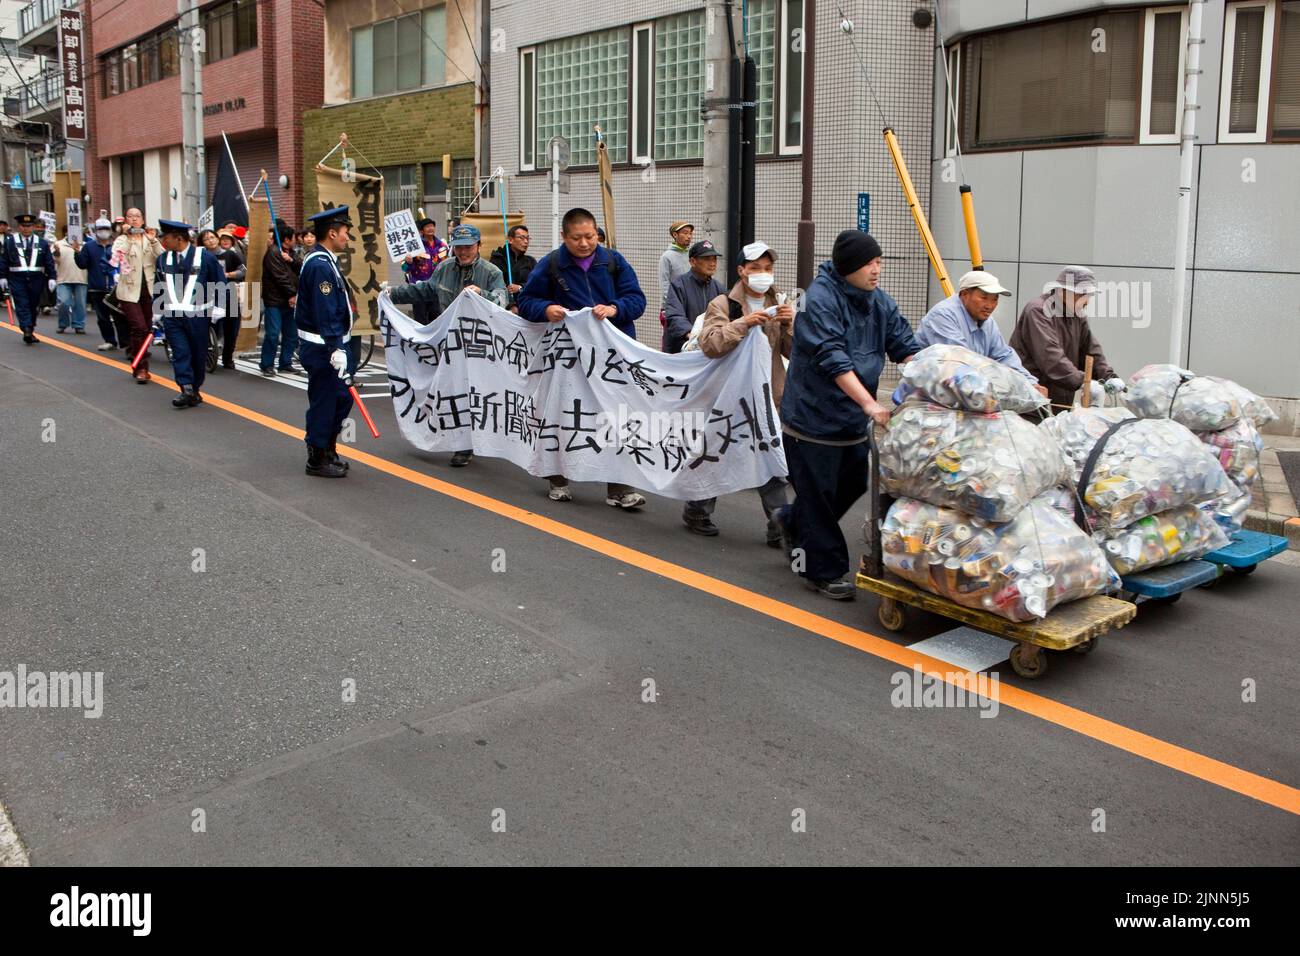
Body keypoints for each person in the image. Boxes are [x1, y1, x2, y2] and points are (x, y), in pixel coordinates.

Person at [773, 230, 920, 600]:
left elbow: (904, 344)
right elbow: (832, 358)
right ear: (848, 266)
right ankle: (822, 570)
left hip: (851, 421)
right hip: (812, 418)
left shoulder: (878, 302)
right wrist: (869, 404)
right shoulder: (818, 300)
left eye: (879, 262)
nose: (876, 269)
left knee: (853, 484)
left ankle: (791, 522)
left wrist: (936, 375)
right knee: (819, 498)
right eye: (869, 263)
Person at [517, 206, 648, 509]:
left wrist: (615, 309)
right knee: (563, 415)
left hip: (611, 359)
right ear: (564, 236)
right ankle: (557, 478)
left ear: (597, 233)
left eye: (590, 236)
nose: (585, 243)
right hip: (568, 359)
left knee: (615, 417)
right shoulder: (552, 264)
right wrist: (546, 309)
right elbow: (526, 301)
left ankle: (619, 488)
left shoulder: (613, 261)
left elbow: (637, 300)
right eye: (577, 238)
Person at [682, 241, 794, 541]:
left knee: (770, 457)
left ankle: (780, 524)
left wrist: (791, 325)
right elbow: (711, 344)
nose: (763, 274)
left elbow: (793, 352)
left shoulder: (780, 303)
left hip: (766, 397)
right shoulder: (723, 304)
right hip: (727, 397)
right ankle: (697, 508)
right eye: (755, 268)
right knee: (717, 453)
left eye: (768, 268)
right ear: (741, 270)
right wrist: (743, 323)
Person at [387, 223, 508, 468]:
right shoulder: (444, 268)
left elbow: (502, 299)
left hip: (479, 344)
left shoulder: (491, 272)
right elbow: (425, 290)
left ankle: (480, 438)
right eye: (458, 247)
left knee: (478, 393)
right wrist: (392, 294)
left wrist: (482, 294)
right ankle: (462, 444)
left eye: (468, 247)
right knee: (454, 392)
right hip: (449, 343)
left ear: (479, 245)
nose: (463, 252)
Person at [891, 270, 1046, 404]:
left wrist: (1030, 383)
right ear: (965, 294)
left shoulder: (988, 321)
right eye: (984, 297)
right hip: (929, 397)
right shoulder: (943, 315)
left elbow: (1003, 355)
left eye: (995, 299)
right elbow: (959, 361)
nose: (990, 305)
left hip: (965, 393)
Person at [295, 206, 358, 478]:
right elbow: (326, 310)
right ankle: (317, 457)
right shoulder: (320, 265)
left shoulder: (325, 260)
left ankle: (328, 447)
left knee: (341, 398)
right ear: (332, 233)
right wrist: (335, 348)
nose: (347, 237)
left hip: (331, 344)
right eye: (345, 232)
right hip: (323, 347)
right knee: (325, 400)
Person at [1009, 266, 1124, 410]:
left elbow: (1091, 351)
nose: (1086, 302)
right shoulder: (1039, 311)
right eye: (1082, 295)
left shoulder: (1077, 315)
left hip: (1060, 400)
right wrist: (1083, 381)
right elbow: (1050, 357)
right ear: (1063, 291)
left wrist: (1108, 377)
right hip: (1031, 401)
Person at [154, 220, 225, 408]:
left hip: (197, 316)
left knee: (198, 354)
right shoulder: (162, 259)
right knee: (180, 352)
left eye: (166, 237)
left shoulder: (205, 257)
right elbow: (158, 285)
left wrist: (220, 307)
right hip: (172, 316)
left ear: (179, 238)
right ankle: (185, 388)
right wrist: (157, 309)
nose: (163, 241)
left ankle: (194, 389)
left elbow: (220, 282)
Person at [109, 209, 162, 381]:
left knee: (146, 328)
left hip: (148, 290)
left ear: (143, 220)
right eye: (130, 217)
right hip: (128, 290)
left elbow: (162, 257)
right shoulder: (121, 240)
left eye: (137, 216)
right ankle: (141, 367)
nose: (134, 219)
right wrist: (129, 238)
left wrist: (153, 240)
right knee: (139, 326)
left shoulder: (149, 238)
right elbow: (116, 259)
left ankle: (138, 359)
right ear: (125, 220)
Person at [0, 213, 58, 344]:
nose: (26, 228)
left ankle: (30, 328)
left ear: (33, 227)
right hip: (17, 277)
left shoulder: (42, 242)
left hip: (36, 278)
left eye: (29, 226)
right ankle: (26, 328)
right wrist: (2, 276)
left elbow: (49, 261)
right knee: (22, 303)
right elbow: (4, 260)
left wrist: (52, 277)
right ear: (19, 227)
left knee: (33, 305)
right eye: (23, 226)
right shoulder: (10, 242)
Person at [662, 239, 725, 354]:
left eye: (714, 259)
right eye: (707, 259)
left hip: (709, 350)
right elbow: (674, 316)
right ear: (692, 261)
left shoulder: (719, 288)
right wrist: (692, 335)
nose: (712, 263)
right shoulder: (678, 285)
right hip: (682, 350)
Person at [260, 220, 300, 376]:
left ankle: (285, 362)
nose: (295, 240)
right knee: (273, 334)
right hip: (275, 301)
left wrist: (291, 260)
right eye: (293, 238)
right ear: (286, 239)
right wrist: (291, 294)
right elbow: (280, 277)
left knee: (291, 334)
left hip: (290, 301)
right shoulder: (273, 253)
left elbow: (301, 268)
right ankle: (267, 364)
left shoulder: (292, 253)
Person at [76, 217, 119, 351]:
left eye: (106, 229)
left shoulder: (118, 246)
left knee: (120, 316)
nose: (103, 231)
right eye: (100, 229)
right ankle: (110, 340)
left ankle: (126, 342)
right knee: (102, 317)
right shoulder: (89, 247)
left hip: (116, 287)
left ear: (111, 230)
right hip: (97, 287)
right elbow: (82, 264)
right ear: (95, 231)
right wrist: (77, 252)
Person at [400, 217, 450, 323]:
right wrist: (409, 262)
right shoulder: (414, 246)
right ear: (421, 231)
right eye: (427, 227)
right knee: (420, 320)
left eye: (432, 226)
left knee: (436, 319)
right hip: (418, 288)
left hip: (436, 288)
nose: (431, 228)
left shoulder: (442, 245)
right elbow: (404, 268)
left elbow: (447, 264)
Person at [214, 228, 245, 369]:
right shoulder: (207, 255)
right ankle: (209, 353)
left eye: (228, 239)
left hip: (230, 292)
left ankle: (228, 358)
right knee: (213, 326)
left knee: (231, 328)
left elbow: (243, 270)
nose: (225, 241)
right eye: (222, 239)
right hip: (210, 293)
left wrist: (229, 274)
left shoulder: (232, 254)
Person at [656, 219, 693, 333]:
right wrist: (672, 305)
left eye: (690, 233)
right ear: (675, 235)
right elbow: (664, 284)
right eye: (685, 233)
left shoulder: (692, 255)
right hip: (673, 307)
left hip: (690, 305)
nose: (689, 236)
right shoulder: (666, 257)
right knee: (672, 338)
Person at [51, 226, 89, 335]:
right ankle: (62, 324)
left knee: (80, 304)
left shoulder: (85, 245)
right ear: (66, 232)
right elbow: (54, 261)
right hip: (63, 278)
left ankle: (79, 325)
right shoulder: (58, 244)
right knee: (64, 302)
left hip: (81, 278)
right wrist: (56, 252)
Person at [490, 224, 537, 312]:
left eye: (528, 238)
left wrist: (520, 287)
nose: (526, 241)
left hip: (526, 307)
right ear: (510, 240)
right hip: (502, 309)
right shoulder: (498, 259)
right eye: (522, 238)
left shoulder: (530, 261)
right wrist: (511, 305)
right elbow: (496, 287)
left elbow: (536, 284)